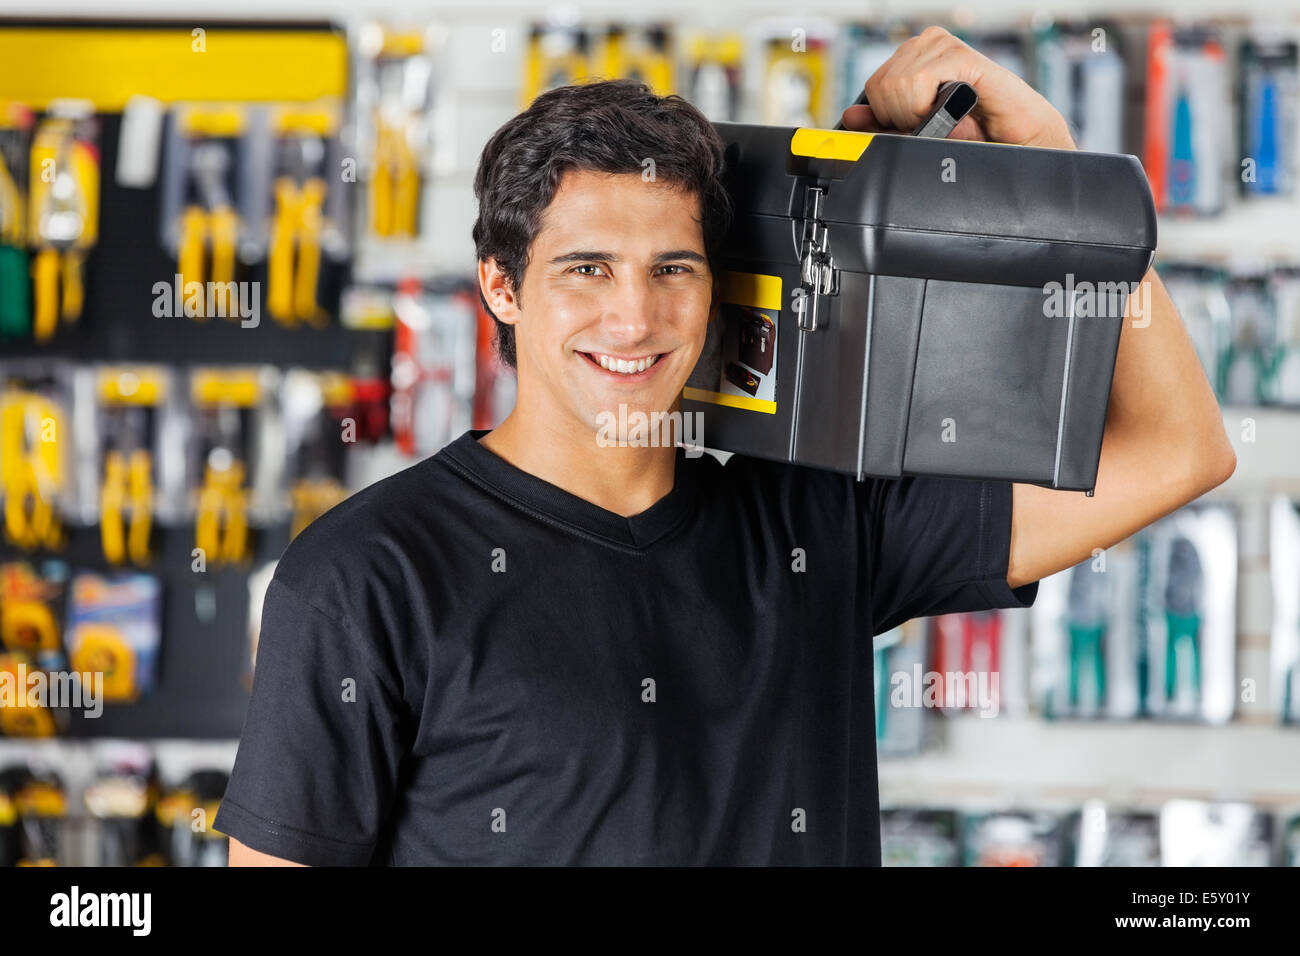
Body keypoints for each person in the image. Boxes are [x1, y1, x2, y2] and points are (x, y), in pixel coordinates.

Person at [218, 26, 1235, 865]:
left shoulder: (816, 520)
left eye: (673, 267)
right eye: (585, 268)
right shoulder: (363, 578)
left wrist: (1057, 178)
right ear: (498, 286)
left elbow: (1177, 448)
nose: (635, 317)